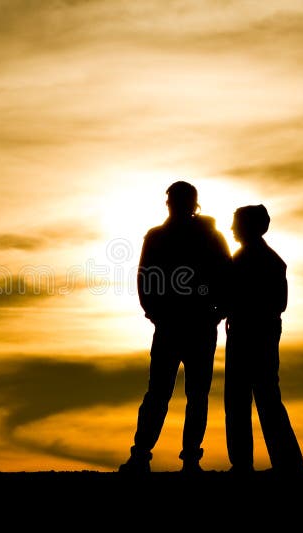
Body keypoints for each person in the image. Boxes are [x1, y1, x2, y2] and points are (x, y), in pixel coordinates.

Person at [119, 181, 230, 474]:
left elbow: (224, 279)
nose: (174, 205)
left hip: (193, 326)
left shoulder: (204, 238)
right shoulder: (160, 237)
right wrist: (154, 311)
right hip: (175, 325)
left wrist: (215, 311)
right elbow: (146, 279)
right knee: (163, 393)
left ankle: (179, 457)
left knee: (186, 394)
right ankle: (146, 454)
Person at [224, 204, 303, 474]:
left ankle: (263, 463)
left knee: (248, 399)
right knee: (260, 397)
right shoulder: (263, 259)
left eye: (237, 223)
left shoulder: (253, 260)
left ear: (249, 226)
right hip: (257, 333)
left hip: (252, 335)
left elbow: (276, 303)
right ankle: (282, 463)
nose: (233, 228)